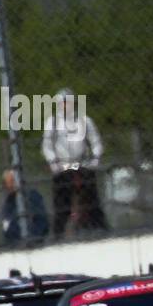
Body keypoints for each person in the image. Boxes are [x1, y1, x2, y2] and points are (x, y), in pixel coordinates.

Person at [42, 88, 107, 237]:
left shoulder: (85, 121)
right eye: (62, 103)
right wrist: (54, 164)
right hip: (62, 167)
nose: (65, 106)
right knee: (61, 206)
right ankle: (58, 235)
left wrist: (95, 161)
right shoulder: (52, 123)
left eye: (68, 103)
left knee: (92, 202)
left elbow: (96, 142)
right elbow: (47, 147)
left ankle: (100, 230)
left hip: (82, 165)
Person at [0, 169, 49, 246]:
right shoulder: (8, 203)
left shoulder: (32, 196)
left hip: (35, 241)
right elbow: (7, 227)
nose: (9, 185)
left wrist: (33, 239)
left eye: (12, 181)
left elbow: (42, 221)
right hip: (16, 244)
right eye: (7, 183)